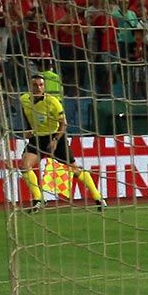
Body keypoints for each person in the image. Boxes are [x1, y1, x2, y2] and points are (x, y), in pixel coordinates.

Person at [18, 73, 106, 211]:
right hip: (37, 138)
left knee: (75, 170)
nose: (38, 87)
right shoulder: (24, 99)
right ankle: (38, 199)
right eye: (35, 85)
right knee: (24, 166)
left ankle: (98, 197)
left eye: (41, 85)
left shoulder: (52, 102)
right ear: (30, 86)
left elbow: (64, 124)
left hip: (55, 137)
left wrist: (55, 140)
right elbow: (26, 114)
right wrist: (28, 129)